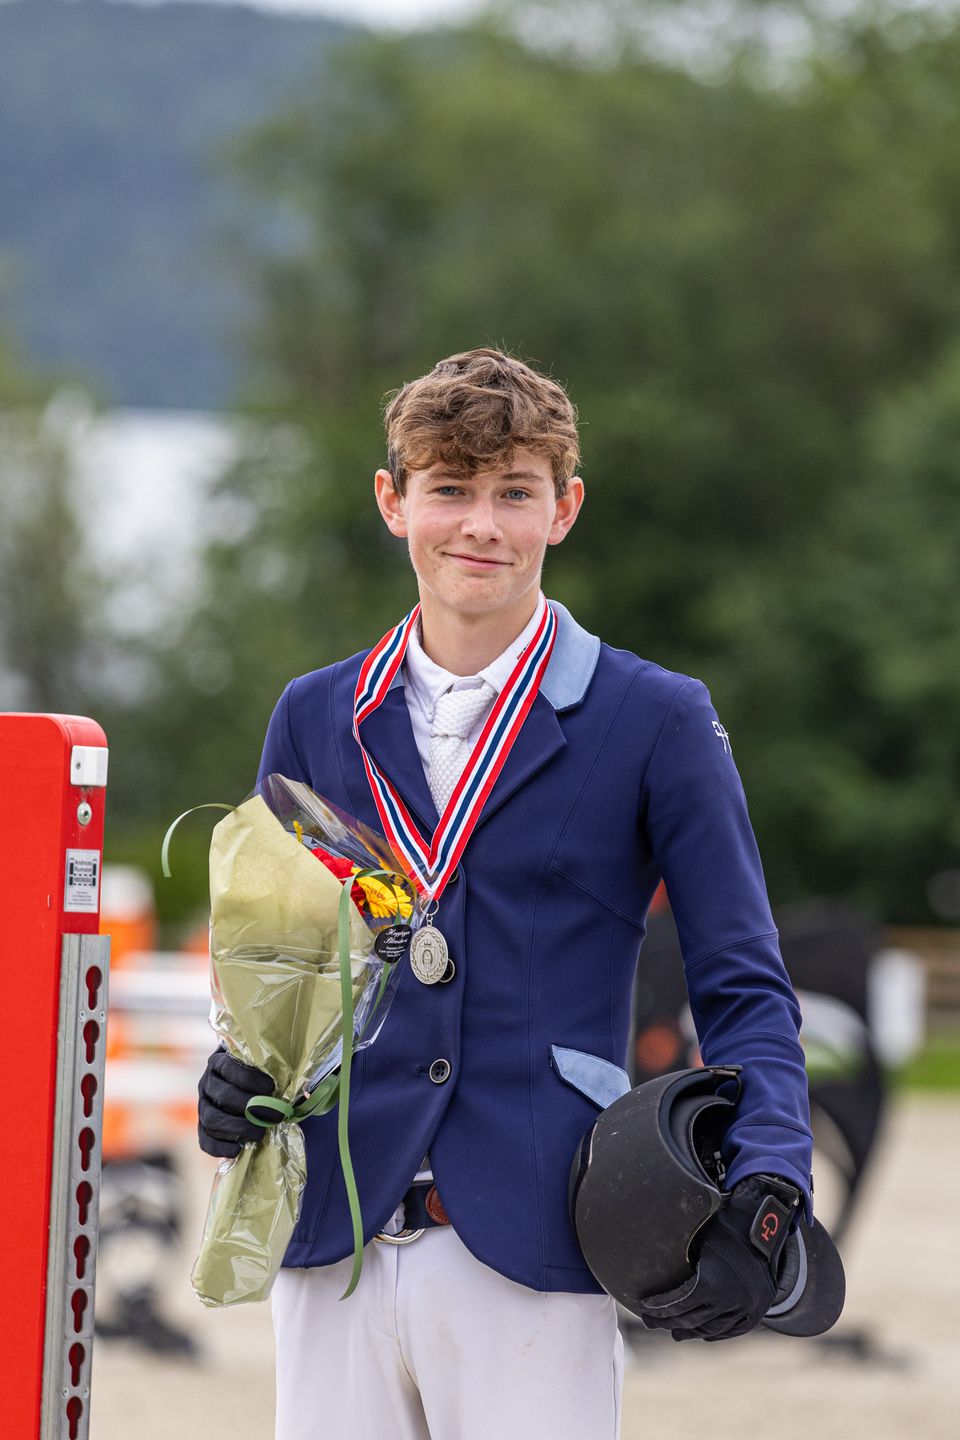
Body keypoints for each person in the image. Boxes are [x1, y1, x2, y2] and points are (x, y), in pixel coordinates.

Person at [197, 348, 814, 1439]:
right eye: (450, 489)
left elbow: (741, 980)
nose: (479, 524)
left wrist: (770, 1180)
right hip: (335, 1227)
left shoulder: (655, 718)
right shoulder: (313, 713)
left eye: (513, 492)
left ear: (564, 509)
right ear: (394, 503)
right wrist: (239, 1064)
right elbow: (279, 959)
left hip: (540, 1235)